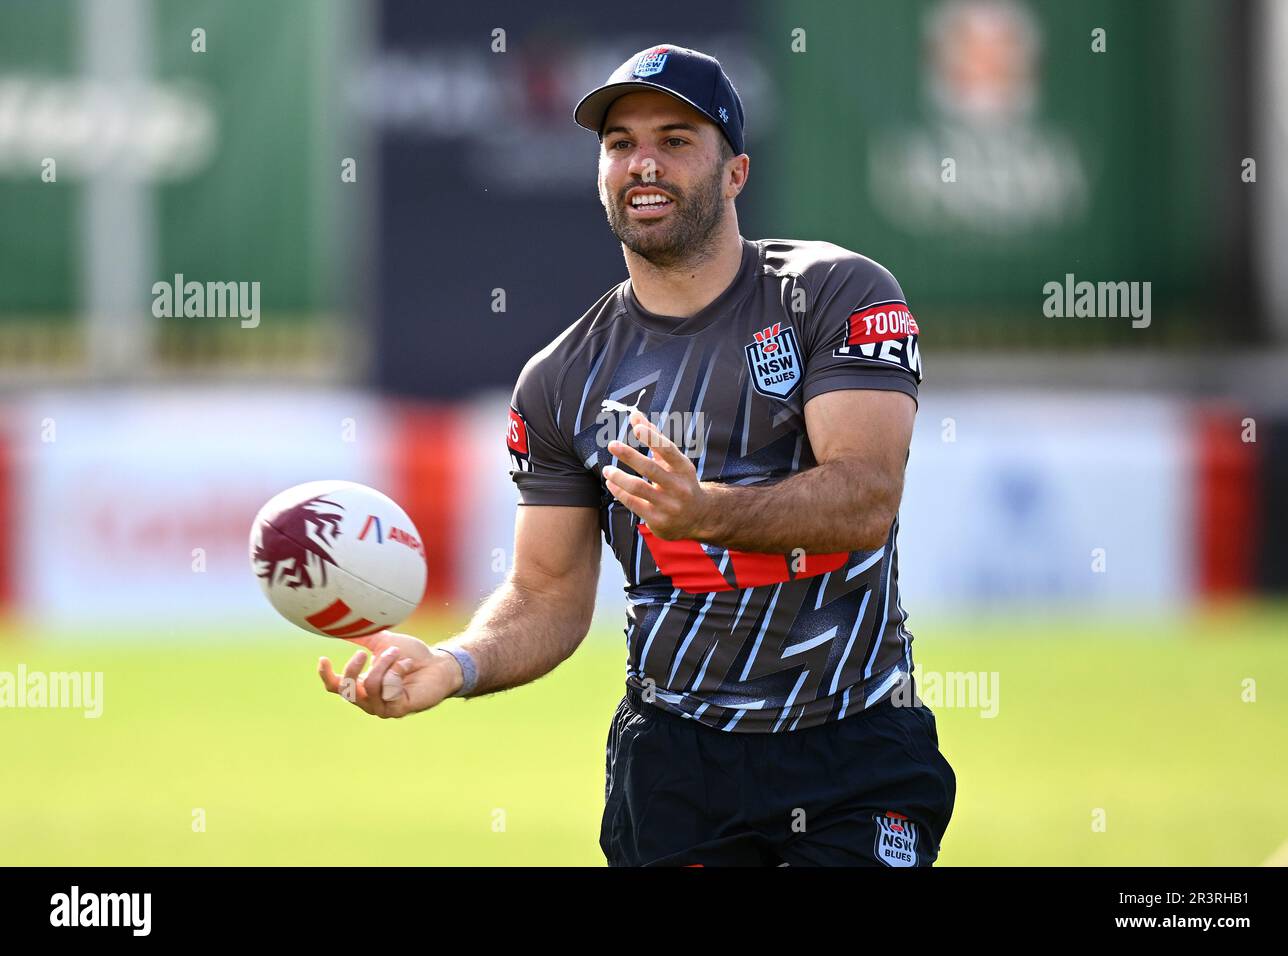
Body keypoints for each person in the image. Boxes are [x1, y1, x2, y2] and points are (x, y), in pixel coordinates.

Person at [318, 43, 955, 867]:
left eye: (676, 140)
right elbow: (546, 593)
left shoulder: (834, 294)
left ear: (736, 172)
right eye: (620, 144)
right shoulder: (560, 379)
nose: (642, 163)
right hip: (674, 774)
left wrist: (706, 514)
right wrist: (453, 664)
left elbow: (867, 496)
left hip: (854, 752)